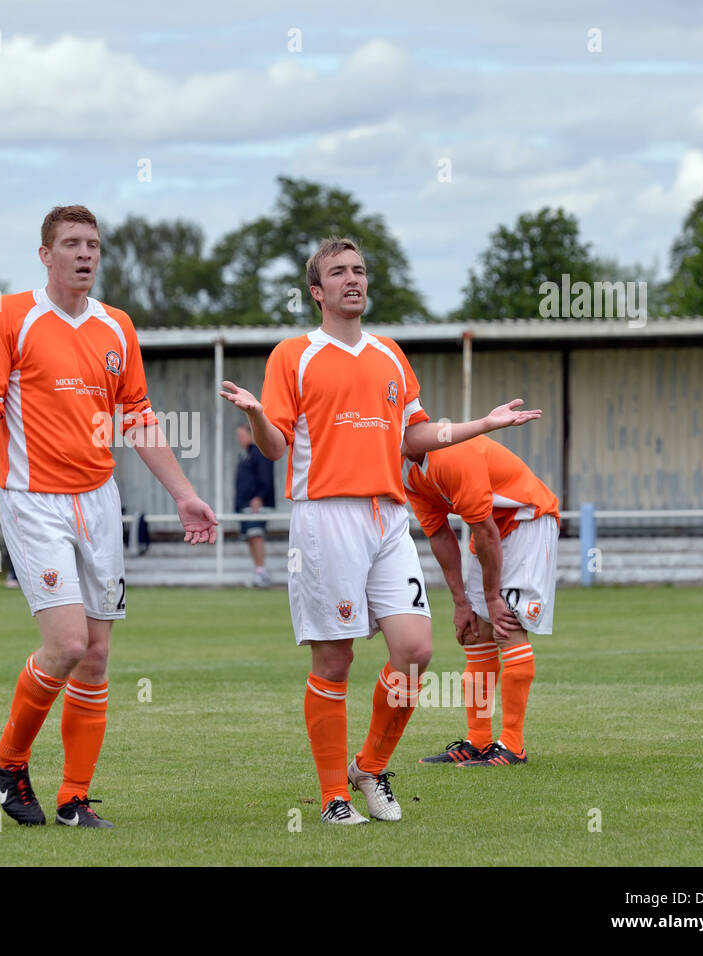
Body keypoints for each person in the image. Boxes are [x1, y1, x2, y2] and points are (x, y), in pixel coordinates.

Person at [220, 237, 540, 825]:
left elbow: (412, 437)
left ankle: (369, 766)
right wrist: (257, 415)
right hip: (326, 517)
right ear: (316, 292)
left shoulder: (390, 353)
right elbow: (275, 447)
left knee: (416, 651)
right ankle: (331, 796)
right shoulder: (293, 355)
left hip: (388, 517)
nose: (352, 280)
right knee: (335, 661)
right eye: (338, 272)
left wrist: (481, 425)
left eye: (359, 271)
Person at [0, 204, 218, 829]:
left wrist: (183, 493)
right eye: (72, 243)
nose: (85, 254)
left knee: (97, 656)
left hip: (99, 502)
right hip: (31, 499)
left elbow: (138, 418)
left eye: (94, 245)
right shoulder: (7, 315)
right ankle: (9, 758)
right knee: (68, 643)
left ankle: (75, 798)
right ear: (44, 254)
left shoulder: (117, 327)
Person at [403, 435, 559, 767]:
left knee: (506, 626)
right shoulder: (410, 473)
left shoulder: (451, 456)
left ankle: (513, 746)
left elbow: (484, 530)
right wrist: (461, 603)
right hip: (488, 531)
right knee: (475, 633)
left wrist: (491, 598)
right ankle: (479, 740)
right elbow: (439, 534)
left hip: (526, 519)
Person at [235, 422, 275, 588]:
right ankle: (258, 571)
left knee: (256, 535)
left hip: (256, 505)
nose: (239, 439)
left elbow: (266, 477)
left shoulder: (259, 452)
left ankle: (261, 572)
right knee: (250, 537)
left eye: (242, 435)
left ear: (251, 435)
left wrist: (259, 497)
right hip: (244, 504)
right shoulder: (245, 454)